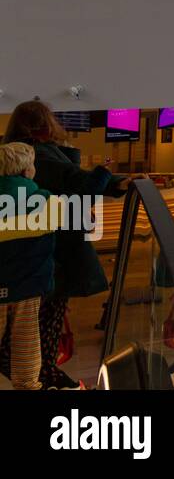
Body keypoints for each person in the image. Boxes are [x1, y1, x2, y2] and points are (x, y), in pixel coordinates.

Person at [1, 101, 126, 389]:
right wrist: (111, 178)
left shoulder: (8, 162)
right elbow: (78, 184)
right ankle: (55, 385)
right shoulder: (40, 155)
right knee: (36, 340)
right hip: (48, 266)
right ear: (45, 126)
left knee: (26, 336)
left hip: (17, 269)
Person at [0, 142, 60, 390]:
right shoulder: (45, 201)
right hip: (29, 286)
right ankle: (27, 385)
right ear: (26, 170)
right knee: (26, 342)